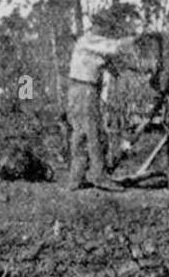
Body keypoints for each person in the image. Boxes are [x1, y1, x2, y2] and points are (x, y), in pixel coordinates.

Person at [65, 29, 159, 190]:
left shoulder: (94, 49)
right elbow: (117, 46)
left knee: (80, 135)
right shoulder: (90, 40)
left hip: (78, 89)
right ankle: (99, 177)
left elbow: (117, 65)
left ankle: (76, 178)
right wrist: (139, 38)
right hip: (85, 89)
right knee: (94, 133)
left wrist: (146, 68)